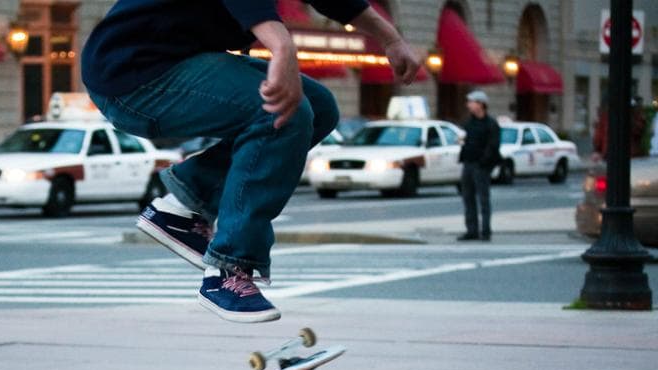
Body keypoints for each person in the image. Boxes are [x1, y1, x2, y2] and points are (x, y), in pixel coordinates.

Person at [81, 0, 420, 322]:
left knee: (319, 108)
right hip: (134, 73)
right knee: (283, 110)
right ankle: (228, 269)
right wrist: (283, 48)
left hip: (173, 61)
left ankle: (183, 204)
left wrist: (390, 38)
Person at [457, 90, 500, 242]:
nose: (468, 105)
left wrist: (484, 162)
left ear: (481, 104)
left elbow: (493, 145)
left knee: (483, 199)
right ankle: (472, 230)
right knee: (468, 197)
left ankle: (486, 230)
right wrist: (462, 145)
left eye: (471, 102)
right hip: (468, 163)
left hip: (481, 165)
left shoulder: (490, 123)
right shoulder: (469, 122)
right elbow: (464, 140)